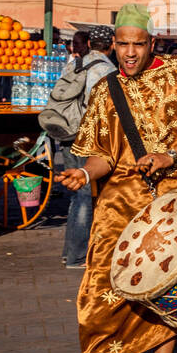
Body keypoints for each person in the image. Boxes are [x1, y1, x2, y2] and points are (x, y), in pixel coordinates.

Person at [58, 4, 177, 353]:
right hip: (116, 204)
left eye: (138, 44)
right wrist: (84, 175)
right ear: (113, 45)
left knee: (164, 288)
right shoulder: (104, 90)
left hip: (171, 201)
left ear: (152, 43)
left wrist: (171, 155)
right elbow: (101, 154)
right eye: (122, 45)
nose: (130, 53)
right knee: (100, 284)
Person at [54, 26, 116, 269]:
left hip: (68, 135)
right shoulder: (107, 70)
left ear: (90, 43)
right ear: (111, 43)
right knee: (85, 195)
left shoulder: (74, 64)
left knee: (76, 193)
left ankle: (69, 250)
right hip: (89, 138)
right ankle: (78, 255)